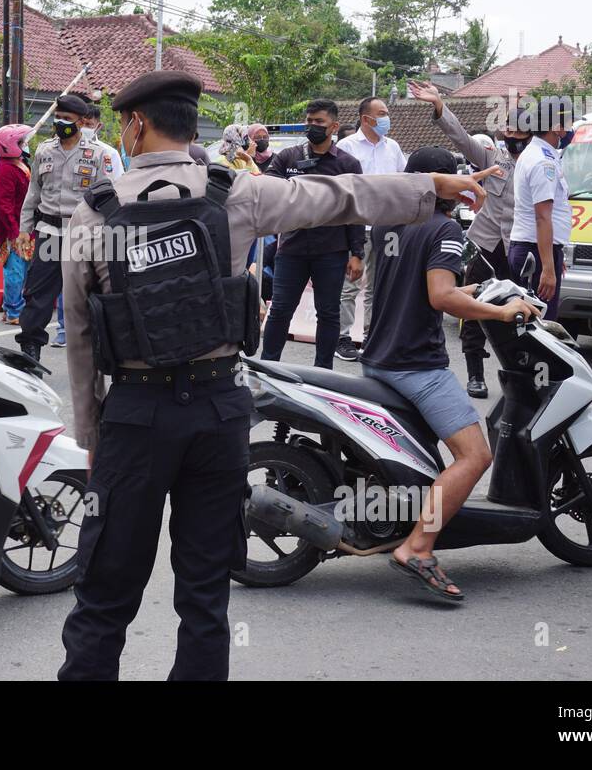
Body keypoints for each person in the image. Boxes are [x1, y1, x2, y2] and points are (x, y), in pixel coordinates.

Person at [58, 70, 497, 680]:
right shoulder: (240, 193)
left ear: (135, 125)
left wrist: (94, 440)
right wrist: (433, 185)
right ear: (191, 127)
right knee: (206, 592)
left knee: (106, 588)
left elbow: (80, 341)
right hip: (219, 412)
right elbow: (344, 195)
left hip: (135, 417)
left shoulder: (92, 212)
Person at [363, 147, 539, 601]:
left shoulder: (389, 223)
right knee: (475, 456)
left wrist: (472, 289)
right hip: (415, 365)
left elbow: (415, 285)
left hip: (378, 356)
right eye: (456, 178)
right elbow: (440, 298)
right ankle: (418, 546)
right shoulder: (442, 229)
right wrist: (499, 315)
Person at [409, 80, 528, 398]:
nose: (512, 137)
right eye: (508, 131)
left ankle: (520, 377)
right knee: (473, 310)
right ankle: (476, 374)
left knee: (521, 311)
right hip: (486, 246)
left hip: (520, 249)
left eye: (520, 132)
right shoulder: (493, 158)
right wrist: (439, 106)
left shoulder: (542, 163)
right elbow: (460, 137)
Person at [15, 94, 120, 365]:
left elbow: (108, 197)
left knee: (89, 293)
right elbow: (33, 193)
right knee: (38, 294)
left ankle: (96, 348)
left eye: (67, 119)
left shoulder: (98, 154)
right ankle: (31, 349)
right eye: (58, 117)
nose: (61, 123)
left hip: (82, 234)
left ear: (82, 121)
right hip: (49, 231)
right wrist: (24, 229)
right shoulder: (44, 151)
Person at [259, 100, 364, 367]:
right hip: (292, 248)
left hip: (332, 250)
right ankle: (268, 368)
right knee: (280, 311)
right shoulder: (289, 157)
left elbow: (356, 210)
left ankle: (323, 373)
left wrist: (357, 253)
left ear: (334, 126)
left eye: (319, 122)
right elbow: (269, 190)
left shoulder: (348, 164)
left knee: (328, 314)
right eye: (309, 121)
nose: (313, 126)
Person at [334, 95, 408, 361]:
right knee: (350, 284)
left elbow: (403, 182)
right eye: (383, 113)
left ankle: (371, 336)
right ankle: (342, 338)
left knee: (379, 286)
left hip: (387, 228)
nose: (388, 118)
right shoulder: (347, 146)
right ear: (366, 118)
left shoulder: (393, 148)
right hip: (356, 226)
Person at [510, 97, 572, 319]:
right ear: (556, 126)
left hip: (537, 249)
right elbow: (542, 218)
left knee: (532, 323)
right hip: (534, 253)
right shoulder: (542, 161)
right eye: (567, 124)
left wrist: (554, 256)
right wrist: (547, 267)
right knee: (538, 327)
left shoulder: (538, 153)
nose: (568, 130)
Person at [0, 124, 33, 324]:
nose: (25, 145)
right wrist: (14, 232)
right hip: (12, 229)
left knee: (21, 268)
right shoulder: (4, 170)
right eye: (21, 142)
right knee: (15, 270)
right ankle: (14, 311)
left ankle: (11, 308)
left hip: (22, 227)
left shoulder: (19, 164)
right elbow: (4, 205)